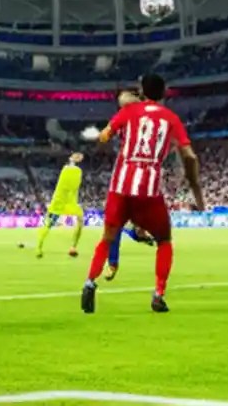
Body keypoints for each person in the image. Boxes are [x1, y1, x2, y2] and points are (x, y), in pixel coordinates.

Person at [82, 73, 205, 315]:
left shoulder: (128, 111)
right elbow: (189, 156)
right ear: (164, 93)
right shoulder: (171, 118)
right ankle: (158, 294)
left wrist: (99, 136)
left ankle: (89, 282)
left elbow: (105, 136)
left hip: (120, 186)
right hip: (148, 190)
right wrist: (196, 193)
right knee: (164, 241)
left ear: (142, 91)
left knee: (107, 238)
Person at [36, 152, 86, 258]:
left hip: (61, 202)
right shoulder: (72, 170)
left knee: (49, 224)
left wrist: (73, 159)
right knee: (79, 220)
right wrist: (73, 159)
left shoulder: (69, 171)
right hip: (64, 202)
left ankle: (39, 248)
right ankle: (72, 246)